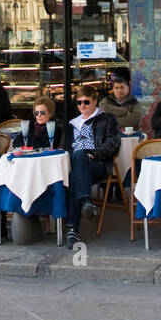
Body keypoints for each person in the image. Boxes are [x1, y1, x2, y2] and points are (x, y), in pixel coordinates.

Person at [65, 87, 121, 247]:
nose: (82, 105)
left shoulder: (106, 118)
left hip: (98, 162)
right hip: (76, 163)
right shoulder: (71, 124)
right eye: (79, 102)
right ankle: (86, 201)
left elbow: (114, 142)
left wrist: (95, 154)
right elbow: (65, 148)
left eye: (86, 102)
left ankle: (72, 229)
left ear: (95, 101)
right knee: (77, 160)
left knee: (76, 172)